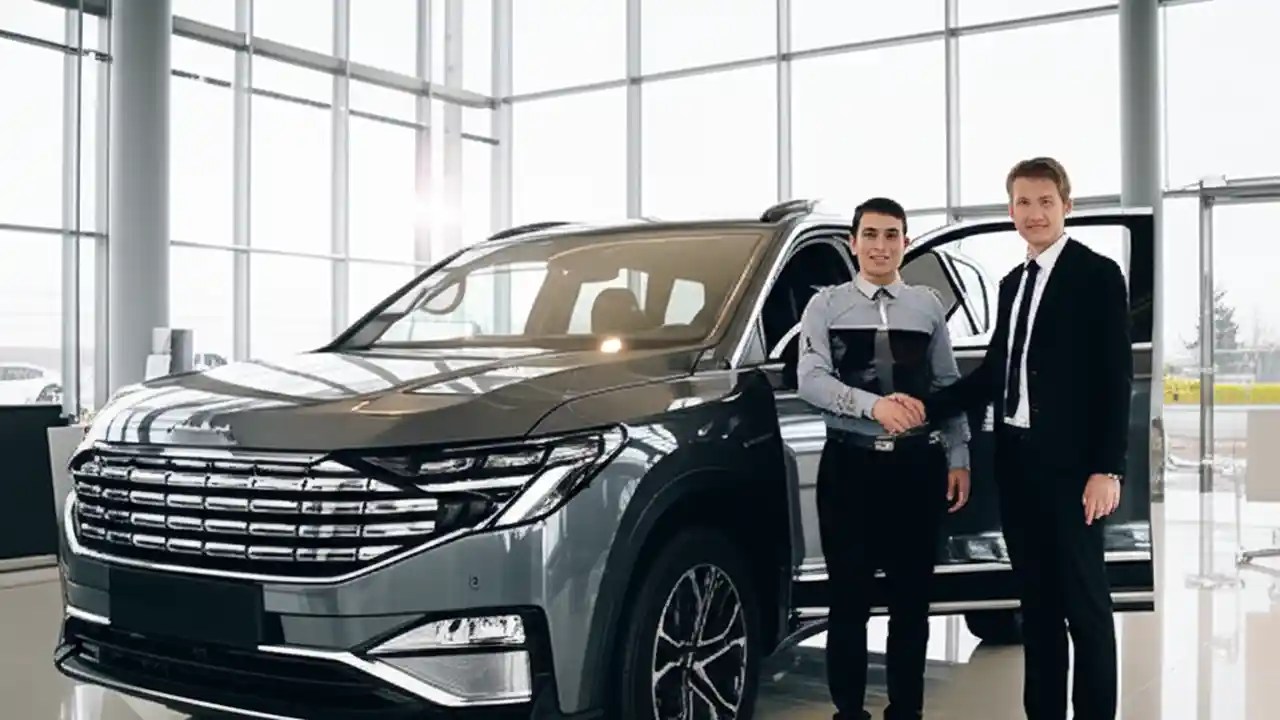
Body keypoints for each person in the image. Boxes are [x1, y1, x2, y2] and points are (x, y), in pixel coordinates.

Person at [905, 157, 1131, 720]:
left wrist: (1108, 468)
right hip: (1019, 466)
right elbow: (993, 374)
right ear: (1011, 210)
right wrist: (926, 407)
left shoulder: (1097, 275)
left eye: (1045, 202)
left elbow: (1115, 376)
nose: (1034, 214)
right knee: (1039, 608)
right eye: (1023, 203)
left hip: (1076, 472)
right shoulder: (1013, 284)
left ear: (1067, 206)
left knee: (1087, 609)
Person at [796, 196, 971, 720]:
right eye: (870, 234)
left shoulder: (927, 306)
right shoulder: (825, 306)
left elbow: (947, 384)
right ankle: (849, 711)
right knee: (847, 602)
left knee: (911, 603)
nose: (880, 245)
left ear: (906, 243)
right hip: (850, 468)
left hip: (918, 470)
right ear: (853, 242)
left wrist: (959, 454)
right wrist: (875, 407)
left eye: (891, 235)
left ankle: (906, 710)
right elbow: (810, 380)